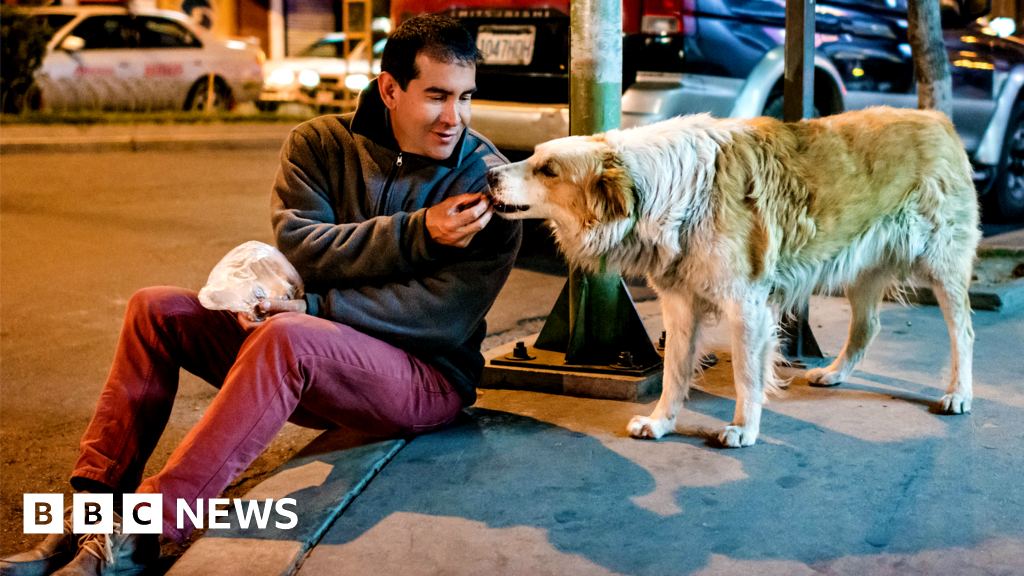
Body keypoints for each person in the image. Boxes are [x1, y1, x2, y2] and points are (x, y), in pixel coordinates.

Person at [0, 13, 521, 576]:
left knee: (288, 336)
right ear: (390, 90)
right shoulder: (320, 144)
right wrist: (419, 233)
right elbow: (304, 249)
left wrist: (314, 307)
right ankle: (91, 512)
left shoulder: (486, 182)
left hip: (424, 380)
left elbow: (440, 317)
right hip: (320, 364)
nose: (454, 118)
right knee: (156, 309)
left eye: (466, 97)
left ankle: (142, 532)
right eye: (437, 96)